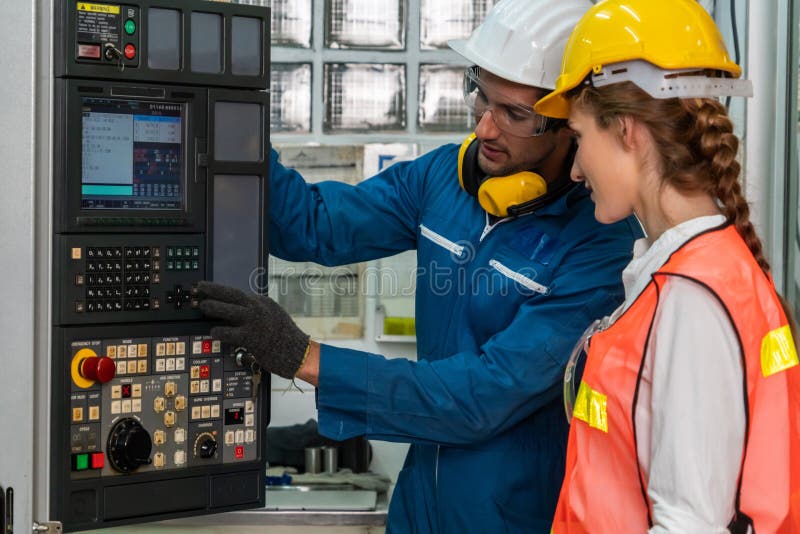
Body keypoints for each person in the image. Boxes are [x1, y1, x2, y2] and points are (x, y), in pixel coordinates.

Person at [197, 0, 640, 531]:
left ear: (576, 124)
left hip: (514, 515)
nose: (486, 129)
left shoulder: (603, 246)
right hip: (418, 509)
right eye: (481, 95)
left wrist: (304, 357)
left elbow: (482, 395)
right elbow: (316, 224)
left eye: (515, 114)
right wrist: (232, 122)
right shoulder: (444, 179)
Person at [533, 0, 800, 532]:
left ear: (627, 130)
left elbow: (689, 523)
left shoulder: (691, 297)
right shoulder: (695, 271)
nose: (577, 169)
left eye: (580, 138)